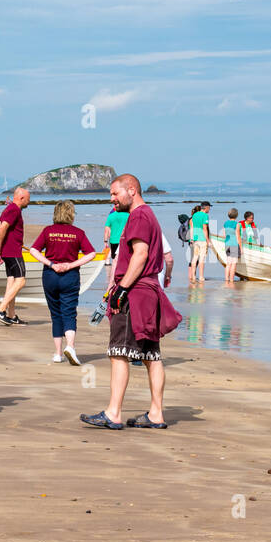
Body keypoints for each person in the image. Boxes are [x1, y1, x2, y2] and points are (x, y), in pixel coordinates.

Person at [81, 174, 181, 430]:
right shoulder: (150, 216)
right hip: (149, 294)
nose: (112, 199)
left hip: (135, 293)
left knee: (119, 353)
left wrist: (121, 288)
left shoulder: (138, 216)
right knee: (151, 355)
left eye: (115, 194)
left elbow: (140, 254)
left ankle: (113, 412)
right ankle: (156, 413)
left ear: (131, 190)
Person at [28, 200, 97, 366]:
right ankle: (70, 346)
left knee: (55, 314)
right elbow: (92, 254)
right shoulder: (78, 233)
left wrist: (50, 264)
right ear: (71, 214)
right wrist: (70, 265)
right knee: (69, 312)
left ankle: (58, 353)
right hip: (70, 276)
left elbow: (33, 250)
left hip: (50, 276)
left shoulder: (48, 231)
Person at [0, 186, 30, 326]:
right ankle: (0, 310)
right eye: (28, 199)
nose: (28, 202)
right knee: (21, 281)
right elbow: (2, 227)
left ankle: (11, 315)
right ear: (21, 198)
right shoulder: (14, 209)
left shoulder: (9, 209)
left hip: (9, 251)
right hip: (12, 252)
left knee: (12, 283)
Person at [104, 204, 130, 288]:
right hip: (124, 240)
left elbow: (106, 229)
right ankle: (124, 279)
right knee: (125, 260)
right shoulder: (128, 215)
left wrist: (105, 241)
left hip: (113, 241)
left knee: (115, 261)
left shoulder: (111, 216)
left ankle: (115, 280)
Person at [189, 201, 211, 283]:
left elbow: (192, 228)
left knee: (195, 258)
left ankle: (193, 277)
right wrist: (208, 241)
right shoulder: (205, 215)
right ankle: (201, 277)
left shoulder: (194, 215)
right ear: (207, 207)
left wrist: (191, 239)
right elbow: (205, 228)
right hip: (202, 239)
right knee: (202, 258)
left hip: (195, 238)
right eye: (209, 208)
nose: (209, 209)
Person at [222, 208, 240, 283]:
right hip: (234, 244)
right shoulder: (237, 224)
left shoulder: (225, 223)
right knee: (234, 264)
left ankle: (226, 279)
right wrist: (241, 248)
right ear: (236, 215)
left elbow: (224, 235)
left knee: (228, 263)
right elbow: (238, 236)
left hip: (227, 244)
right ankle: (232, 280)